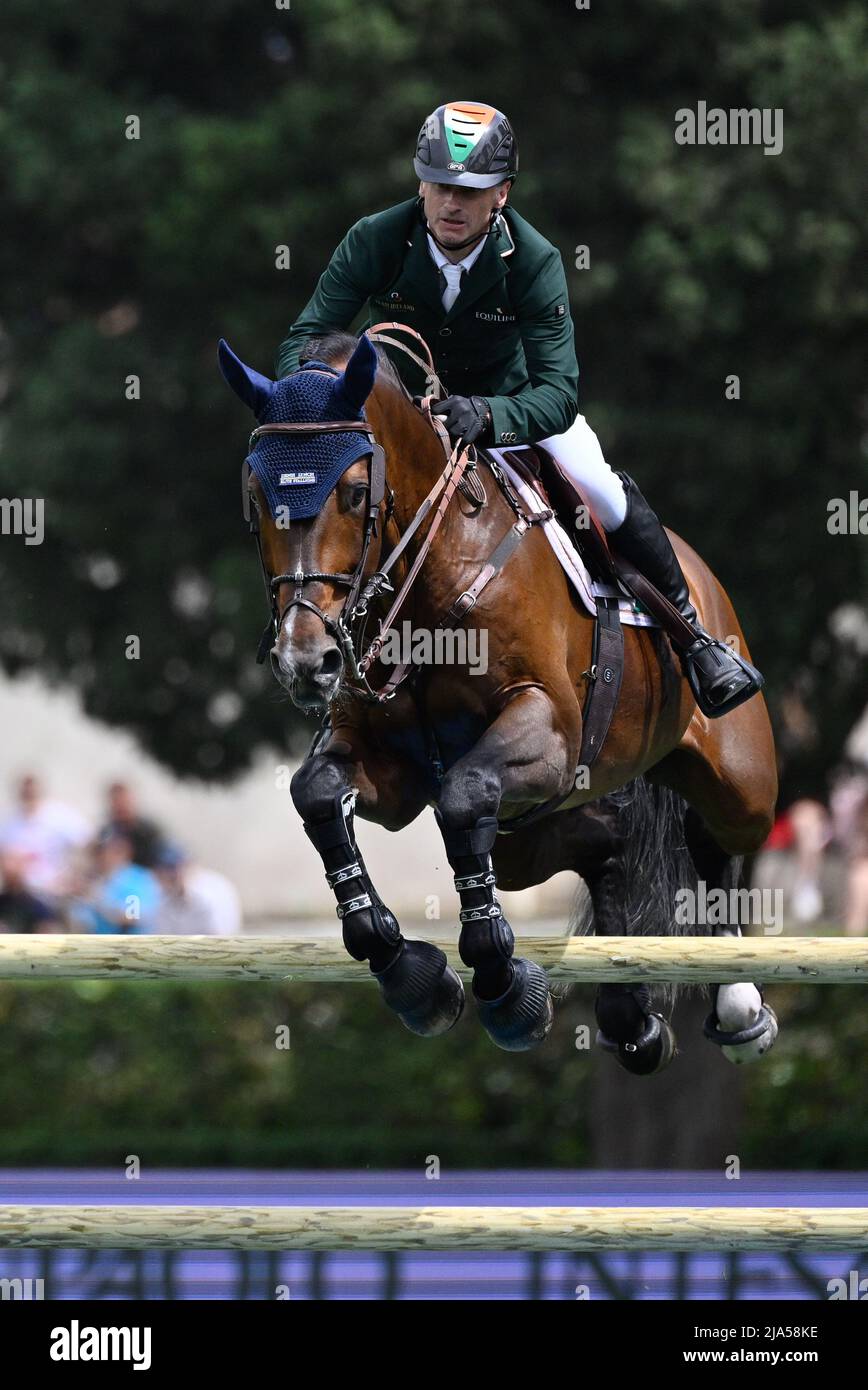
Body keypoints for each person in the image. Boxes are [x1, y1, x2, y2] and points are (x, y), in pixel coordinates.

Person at [275, 100, 763, 718]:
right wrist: (318, 396)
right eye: (442, 186)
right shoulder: (375, 238)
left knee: (601, 490)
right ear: (420, 183)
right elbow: (305, 337)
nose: (453, 204)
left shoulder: (534, 260)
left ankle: (693, 638)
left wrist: (488, 414)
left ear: (501, 193)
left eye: (472, 191)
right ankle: (308, 634)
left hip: (506, 412)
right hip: (399, 426)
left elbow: (559, 392)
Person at [0, 773, 92, 899]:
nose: (29, 797)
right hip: (23, 893)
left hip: (55, 892)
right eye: (26, 793)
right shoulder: (9, 825)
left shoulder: (60, 816)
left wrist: (75, 875)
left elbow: (88, 844)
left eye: (32, 793)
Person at [73, 829, 161, 935]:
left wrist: (100, 902)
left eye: (108, 850)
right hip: (98, 944)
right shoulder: (94, 878)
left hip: (134, 945)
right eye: (98, 851)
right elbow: (81, 920)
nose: (101, 856)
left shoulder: (138, 878)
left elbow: (133, 915)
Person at [152, 843, 241, 936]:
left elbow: (218, 937)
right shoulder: (164, 895)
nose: (171, 875)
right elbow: (163, 934)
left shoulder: (209, 891)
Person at [99, 781, 166, 870]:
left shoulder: (150, 831)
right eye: (116, 802)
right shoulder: (109, 831)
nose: (120, 806)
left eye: (124, 801)